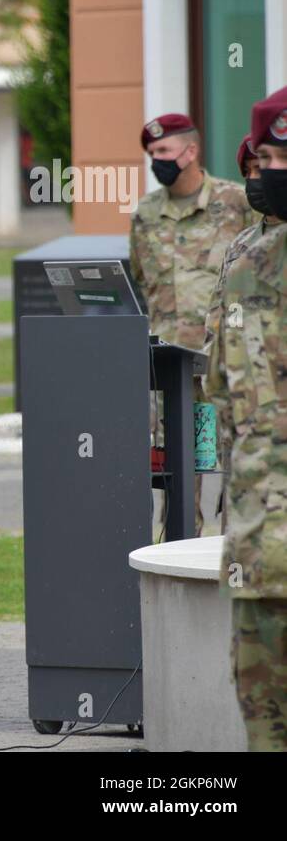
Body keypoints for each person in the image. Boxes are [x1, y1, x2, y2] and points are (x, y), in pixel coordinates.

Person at [203, 85, 287, 750]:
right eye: (264, 157)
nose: (271, 172)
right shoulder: (246, 269)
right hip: (263, 565)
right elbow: (227, 406)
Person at [130, 113, 255, 539]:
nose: (156, 160)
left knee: (226, 457)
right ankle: (175, 550)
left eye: (164, 151)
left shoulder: (236, 202)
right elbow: (141, 280)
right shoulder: (146, 213)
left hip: (219, 361)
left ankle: (232, 551)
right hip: (167, 367)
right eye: (151, 153)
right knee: (173, 467)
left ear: (191, 152)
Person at [204, 133, 282, 535]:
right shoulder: (240, 247)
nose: (256, 180)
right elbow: (216, 325)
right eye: (249, 171)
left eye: (263, 169)